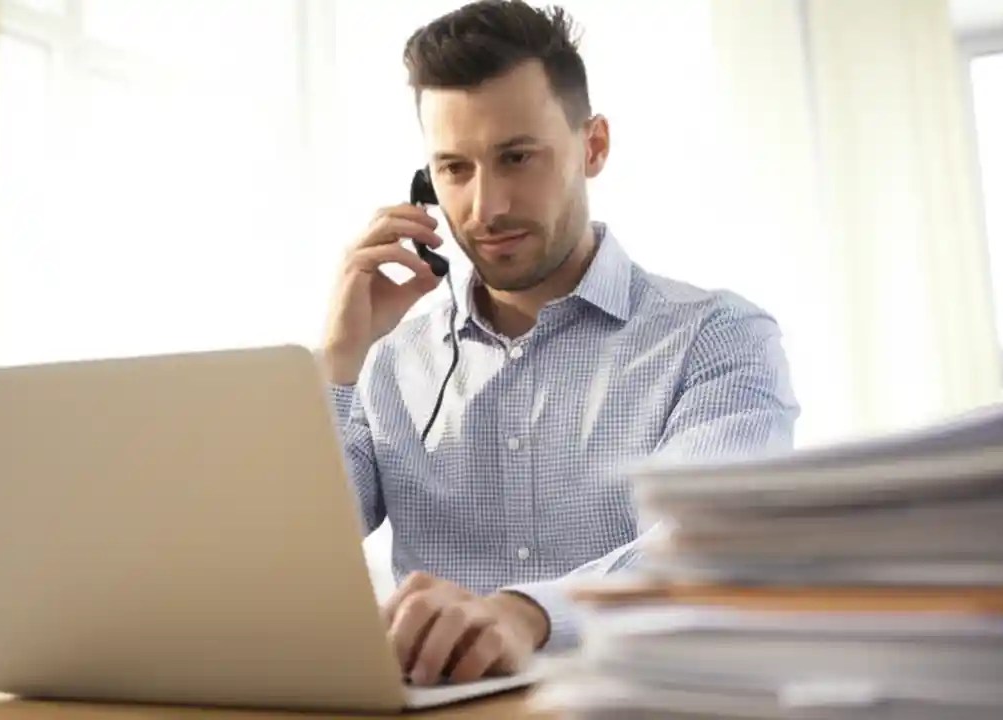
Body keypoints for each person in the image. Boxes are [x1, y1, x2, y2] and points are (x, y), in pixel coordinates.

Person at [318, 0, 800, 687]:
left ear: (593, 146)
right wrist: (339, 361)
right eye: (455, 168)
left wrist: (525, 614)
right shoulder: (390, 362)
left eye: (516, 157)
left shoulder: (718, 340)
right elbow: (295, 557)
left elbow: (713, 544)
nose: (486, 208)